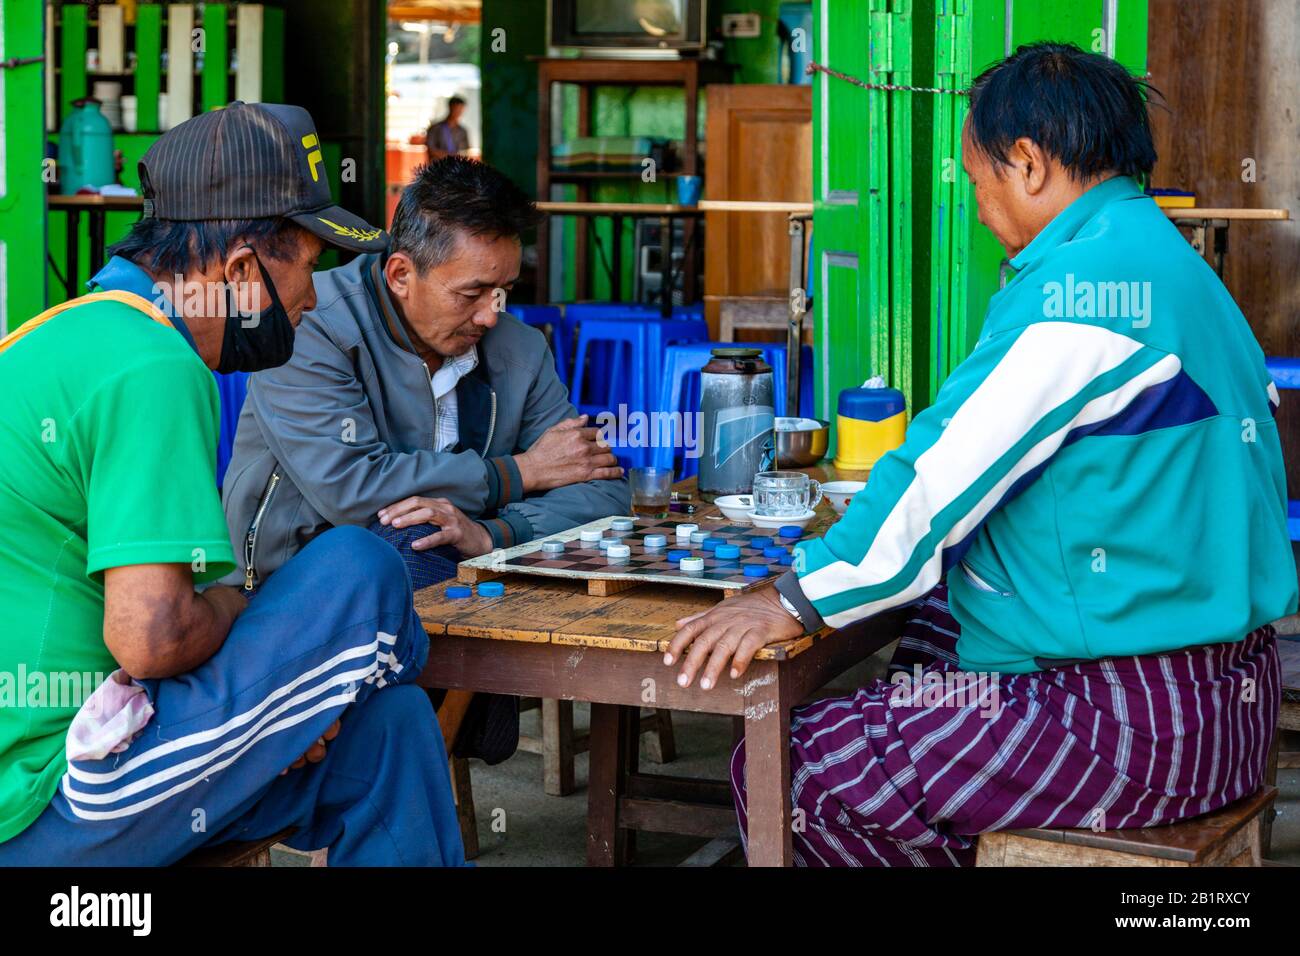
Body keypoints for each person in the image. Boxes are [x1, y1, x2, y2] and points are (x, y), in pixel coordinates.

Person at [664, 42, 1295, 866]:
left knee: (801, 767)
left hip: (1134, 728)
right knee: (933, 628)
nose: (979, 202)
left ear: (1028, 164)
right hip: (1225, 702)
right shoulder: (1170, 265)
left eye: (979, 178)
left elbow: (938, 475)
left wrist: (790, 600)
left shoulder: (1083, 291)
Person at [0, 102, 465, 866]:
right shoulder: (148, 362)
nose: (311, 300)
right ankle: (321, 695)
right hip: (43, 802)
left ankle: (320, 703)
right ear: (243, 270)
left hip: (81, 753)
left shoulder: (76, 331)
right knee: (363, 565)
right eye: (308, 269)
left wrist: (286, 697)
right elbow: (151, 639)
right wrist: (249, 614)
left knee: (390, 728)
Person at [221, 156, 628, 760]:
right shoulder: (313, 325)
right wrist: (518, 473)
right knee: (399, 546)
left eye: (504, 291)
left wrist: (492, 533)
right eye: (471, 293)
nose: (491, 314)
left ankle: (436, 733)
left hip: (436, 580)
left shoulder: (516, 347)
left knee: (458, 561)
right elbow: (353, 489)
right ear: (401, 272)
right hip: (282, 592)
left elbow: (600, 488)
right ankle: (451, 726)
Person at [426, 95, 470, 161]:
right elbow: (431, 150)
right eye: (456, 108)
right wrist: (452, 156)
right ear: (450, 107)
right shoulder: (435, 128)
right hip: (438, 167)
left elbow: (465, 152)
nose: (458, 112)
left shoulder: (463, 131)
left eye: (460, 109)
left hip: (456, 168)